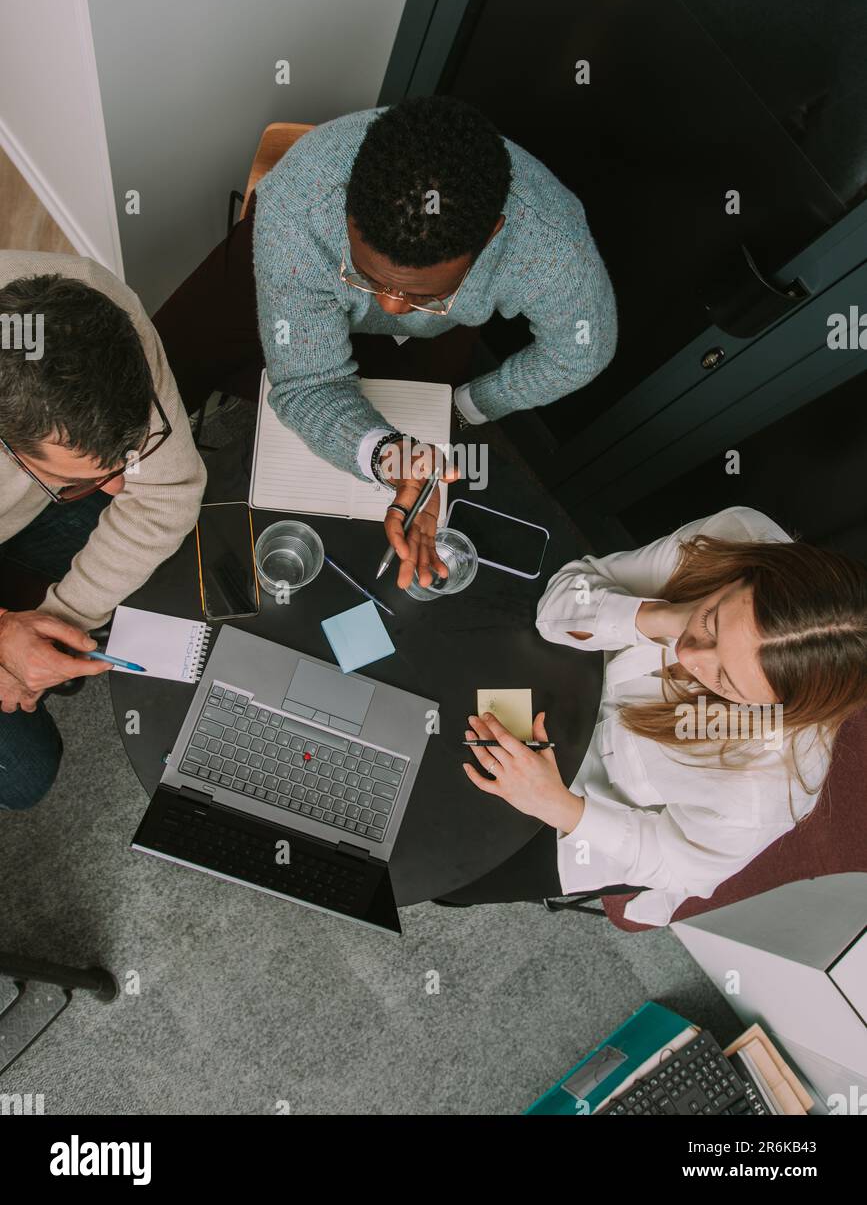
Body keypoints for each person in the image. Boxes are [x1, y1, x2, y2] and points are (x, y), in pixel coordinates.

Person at [154, 95, 617, 590]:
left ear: (489, 238)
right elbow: (308, 384)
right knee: (157, 382)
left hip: (432, 339)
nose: (391, 308)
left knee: (422, 441)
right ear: (347, 212)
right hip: (292, 273)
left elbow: (581, 352)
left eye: (424, 293)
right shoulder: (299, 201)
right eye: (372, 278)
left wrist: (466, 409)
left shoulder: (553, 246)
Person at [437, 506, 867, 925]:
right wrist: (662, 615)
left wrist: (558, 805)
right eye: (712, 621)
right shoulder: (736, 536)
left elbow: (674, 865)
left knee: (452, 877)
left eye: (724, 680)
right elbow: (561, 602)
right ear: (744, 574)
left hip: (587, 819)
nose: (690, 653)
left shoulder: (766, 790)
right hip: (566, 675)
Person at [0, 252, 206, 810]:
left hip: (18, 514)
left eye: (128, 460)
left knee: (182, 560)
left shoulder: (97, 314)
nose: (119, 488)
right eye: (77, 479)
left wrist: (57, 624)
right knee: (24, 774)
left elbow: (164, 494)